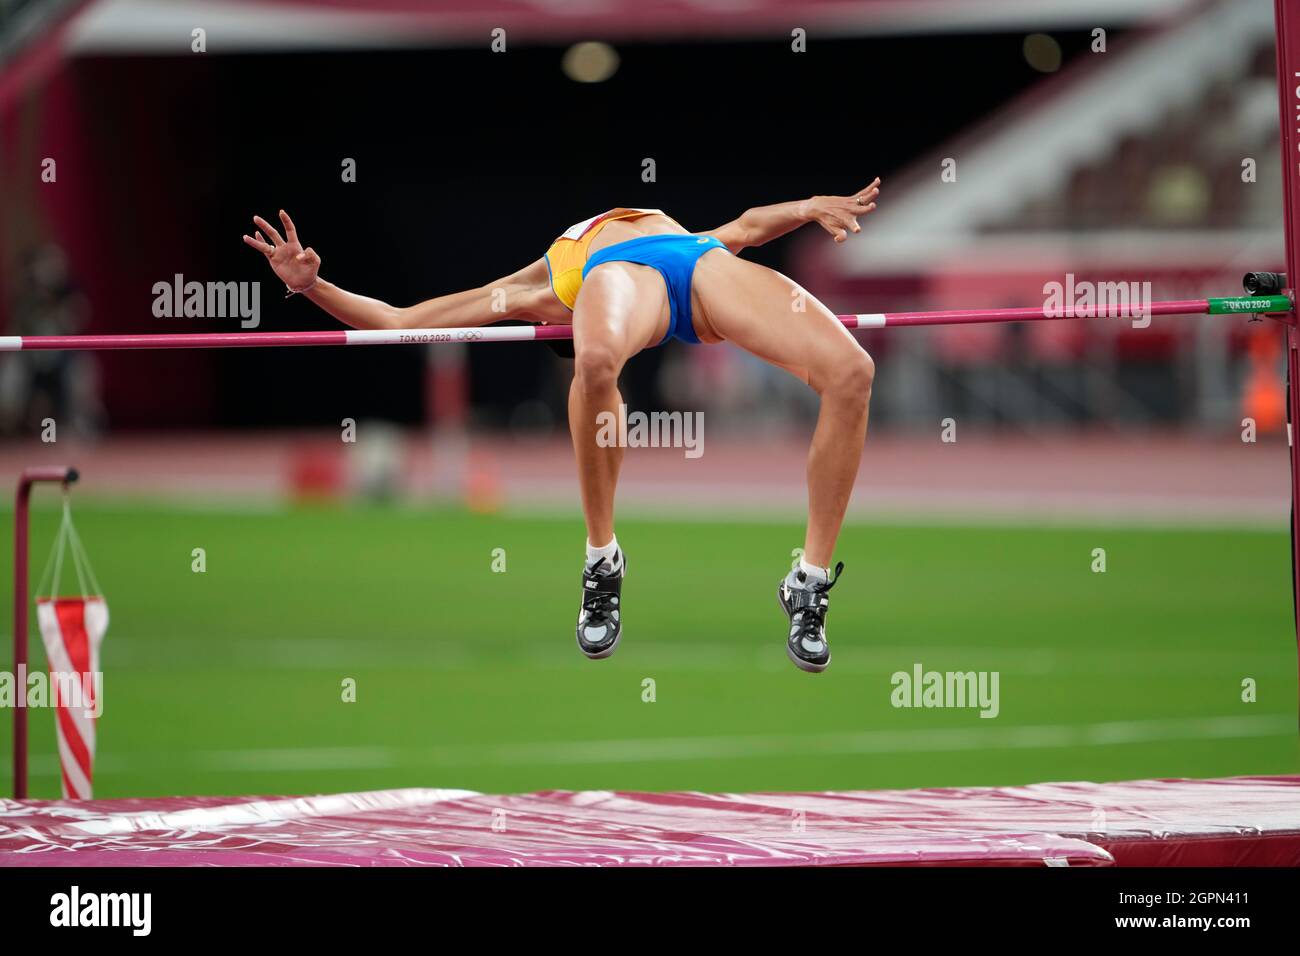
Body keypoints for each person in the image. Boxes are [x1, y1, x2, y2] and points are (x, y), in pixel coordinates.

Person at [244, 182, 879, 672]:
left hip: (701, 263)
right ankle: (602, 559)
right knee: (601, 361)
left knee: (852, 371)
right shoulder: (539, 287)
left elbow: (746, 226)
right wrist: (314, 286)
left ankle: (809, 581)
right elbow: (404, 320)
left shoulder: (688, 235)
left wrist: (807, 206)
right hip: (635, 287)